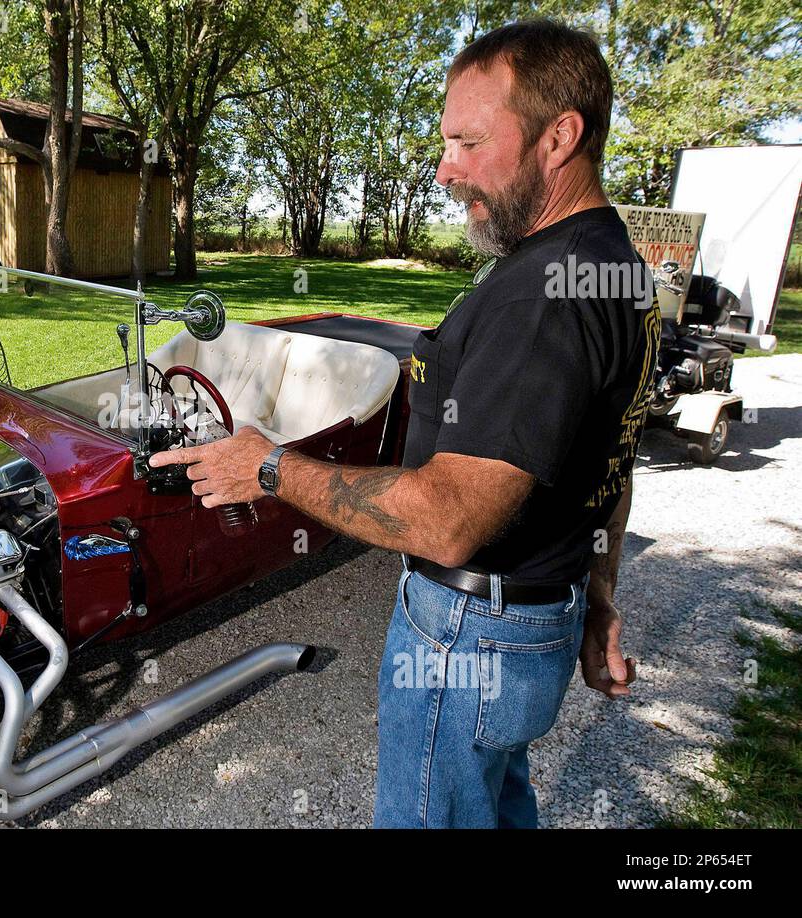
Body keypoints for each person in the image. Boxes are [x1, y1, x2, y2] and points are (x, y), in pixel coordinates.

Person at [149, 19, 658, 828]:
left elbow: (449, 520)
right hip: (533, 616)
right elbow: (612, 451)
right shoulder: (611, 264)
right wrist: (595, 597)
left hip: (471, 631)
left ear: (560, 137)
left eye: (467, 141)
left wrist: (269, 467)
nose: (444, 170)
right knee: (494, 807)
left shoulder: (543, 300)